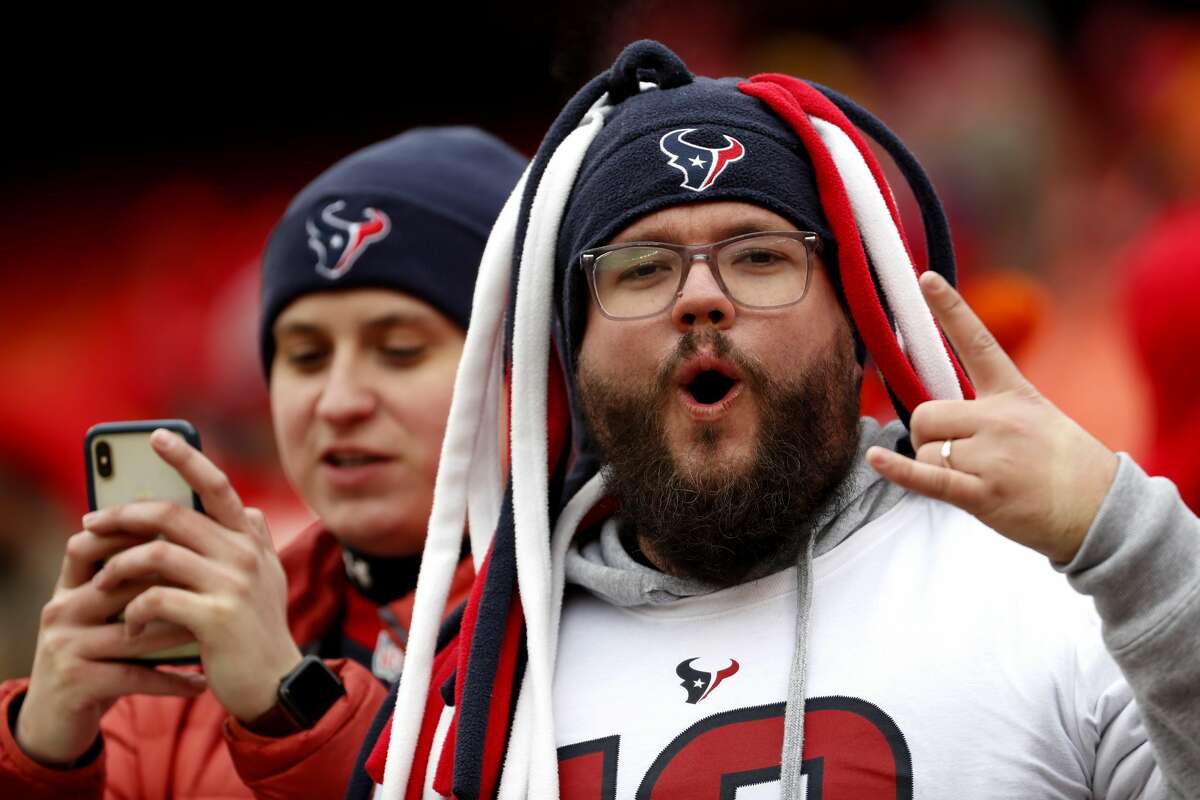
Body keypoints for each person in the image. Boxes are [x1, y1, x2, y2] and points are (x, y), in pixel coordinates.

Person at [357, 43, 1199, 799]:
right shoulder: (483, 688)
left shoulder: (1046, 593)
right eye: (641, 268)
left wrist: (1134, 541)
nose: (699, 299)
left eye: (760, 256)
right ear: (570, 354)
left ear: (858, 320)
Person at [0, 126, 526, 798]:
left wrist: (290, 709)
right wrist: (42, 756)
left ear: (527, 366)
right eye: (304, 356)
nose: (336, 401)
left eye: (398, 349)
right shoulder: (179, 664)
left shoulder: (626, 628)